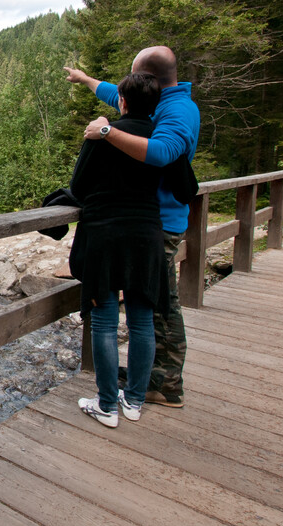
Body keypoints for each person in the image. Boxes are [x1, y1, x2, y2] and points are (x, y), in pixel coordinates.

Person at [65, 46, 201, 407]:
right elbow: (118, 93)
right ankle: (142, 387)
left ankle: (165, 383)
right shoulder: (157, 102)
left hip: (157, 223)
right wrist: (85, 80)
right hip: (150, 225)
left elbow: (162, 153)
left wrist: (106, 131)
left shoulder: (177, 111)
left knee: (160, 307)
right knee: (148, 311)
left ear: (149, 82)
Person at [68, 72, 166, 427]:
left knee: (105, 322)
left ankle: (107, 404)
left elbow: (78, 187)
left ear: (121, 101)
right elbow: (185, 185)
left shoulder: (101, 134)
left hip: (105, 236)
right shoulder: (161, 138)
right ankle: (134, 400)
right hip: (146, 235)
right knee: (142, 322)